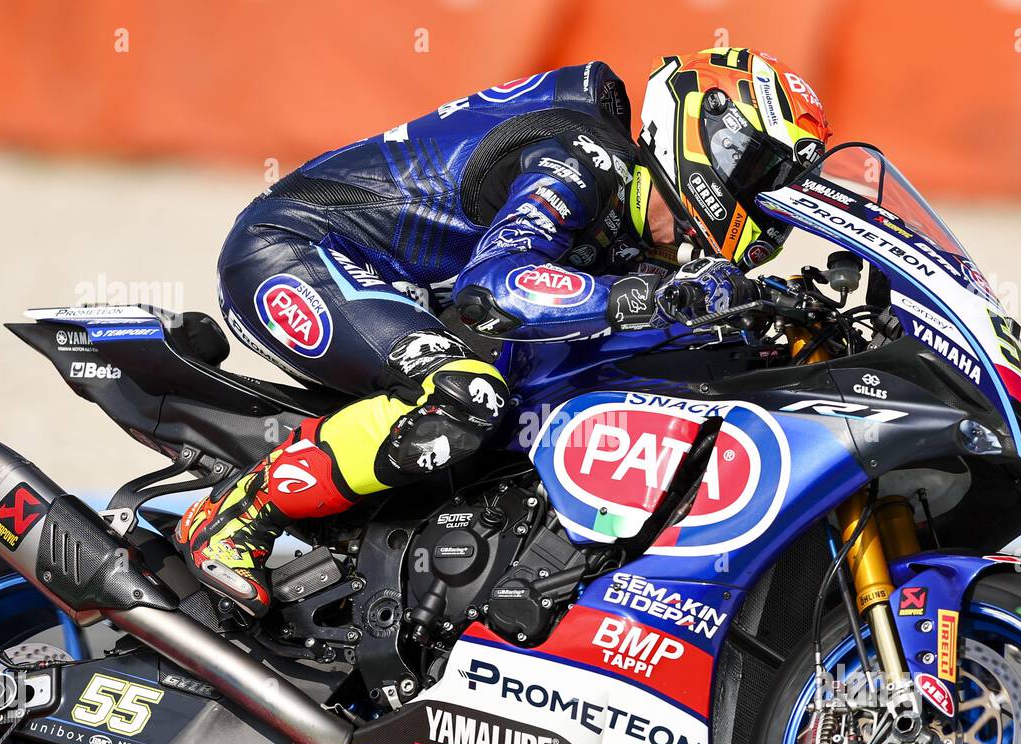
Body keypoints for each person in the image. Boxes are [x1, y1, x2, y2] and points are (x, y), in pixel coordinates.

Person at [175, 47, 831, 616]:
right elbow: (494, 287)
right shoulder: (584, 156)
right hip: (294, 253)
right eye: (762, 176)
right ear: (706, 139)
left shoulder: (631, 225)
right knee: (465, 395)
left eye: (784, 190)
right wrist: (641, 297)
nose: (770, 208)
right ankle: (240, 512)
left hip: (404, 295)